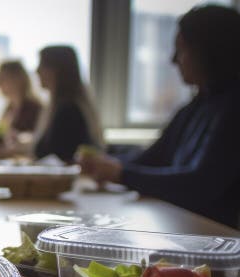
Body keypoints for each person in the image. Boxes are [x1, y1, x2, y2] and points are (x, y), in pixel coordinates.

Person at [80, 5, 240, 227]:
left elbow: (200, 185)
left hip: (218, 238)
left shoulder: (233, 108)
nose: (174, 60)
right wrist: (107, 165)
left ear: (210, 50)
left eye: (182, 48)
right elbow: (152, 157)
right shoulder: (198, 104)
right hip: (187, 225)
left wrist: (121, 173)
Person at [32, 46, 103, 163]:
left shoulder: (69, 111)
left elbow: (58, 157)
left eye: (42, 65)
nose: (37, 71)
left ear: (57, 70)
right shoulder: (60, 107)